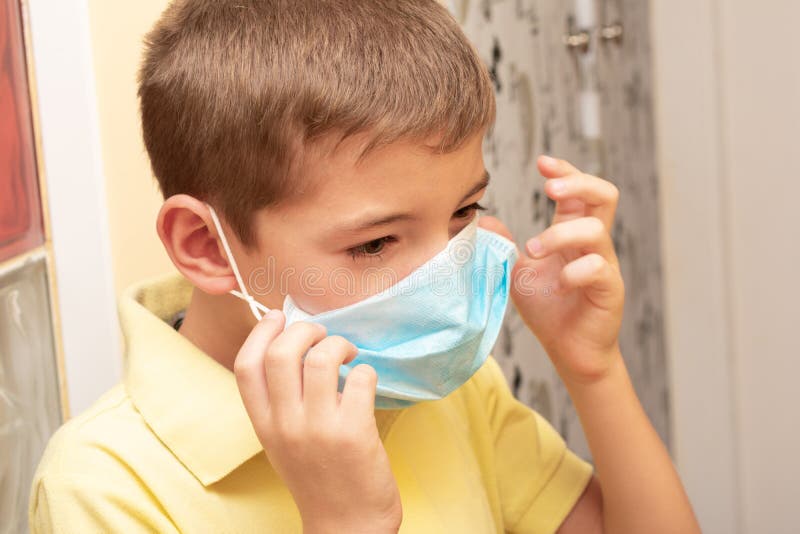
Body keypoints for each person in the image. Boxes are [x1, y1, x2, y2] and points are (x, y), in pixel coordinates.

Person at [28, 1, 700, 532]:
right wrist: (347, 523)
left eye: (466, 211)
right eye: (376, 244)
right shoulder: (106, 484)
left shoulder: (441, 386)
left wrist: (593, 367)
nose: (446, 284)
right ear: (206, 246)